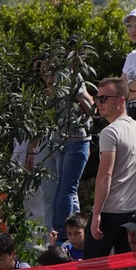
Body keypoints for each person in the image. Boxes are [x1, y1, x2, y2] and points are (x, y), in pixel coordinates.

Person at [85, 77, 136, 260]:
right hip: (135, 211)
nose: (99, 103)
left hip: (110, 212)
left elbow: (105, 175)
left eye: (104, 98)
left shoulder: (110, 132)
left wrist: (96, 213)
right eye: (97, 98)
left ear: (121, 100)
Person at [35, 55, 96, 245]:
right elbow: (89, 105)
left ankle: (65, 234)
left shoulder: (67, 80)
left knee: (65, 189)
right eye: (42, 69)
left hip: (69, 139)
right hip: (68, 139)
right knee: (65, 189)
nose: (46, 73)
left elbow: (88, 104)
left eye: (48, 68)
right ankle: (63, 234)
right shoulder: (66, 81)